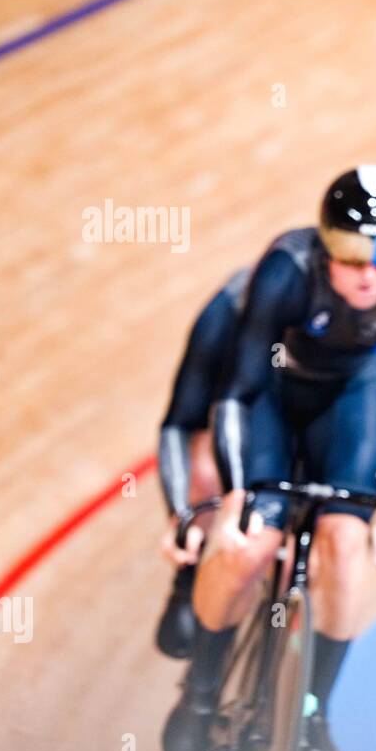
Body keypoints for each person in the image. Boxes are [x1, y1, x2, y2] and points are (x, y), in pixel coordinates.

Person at [161, 166, 376, 751]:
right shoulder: (287, 269)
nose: (370, 271)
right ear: (323, 248)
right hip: (273, 397)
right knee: (247, 544)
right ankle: (201, 691)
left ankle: (313, 708)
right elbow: (236, 394)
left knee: (347, 543)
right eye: (351, 253)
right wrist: (237, 494)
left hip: (352, 399)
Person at [155, 267, 251, 659]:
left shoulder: (357, 306)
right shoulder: (226, 315)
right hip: (236, 383)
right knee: (211, 466)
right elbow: (180, 424)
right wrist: (182, 516)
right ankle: (188, 573)